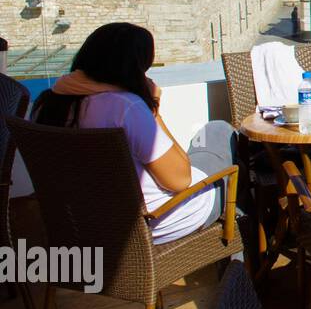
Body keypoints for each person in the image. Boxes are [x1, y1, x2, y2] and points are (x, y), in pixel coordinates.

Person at [30, 23, 245, 249]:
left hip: (82, 226)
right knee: (223, 139)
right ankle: (244, 257)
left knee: (211, 135)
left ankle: (240, 253)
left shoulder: (46, 104)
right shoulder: (125, 108)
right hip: (154, 224)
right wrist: (153, 110)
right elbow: (179, 181)